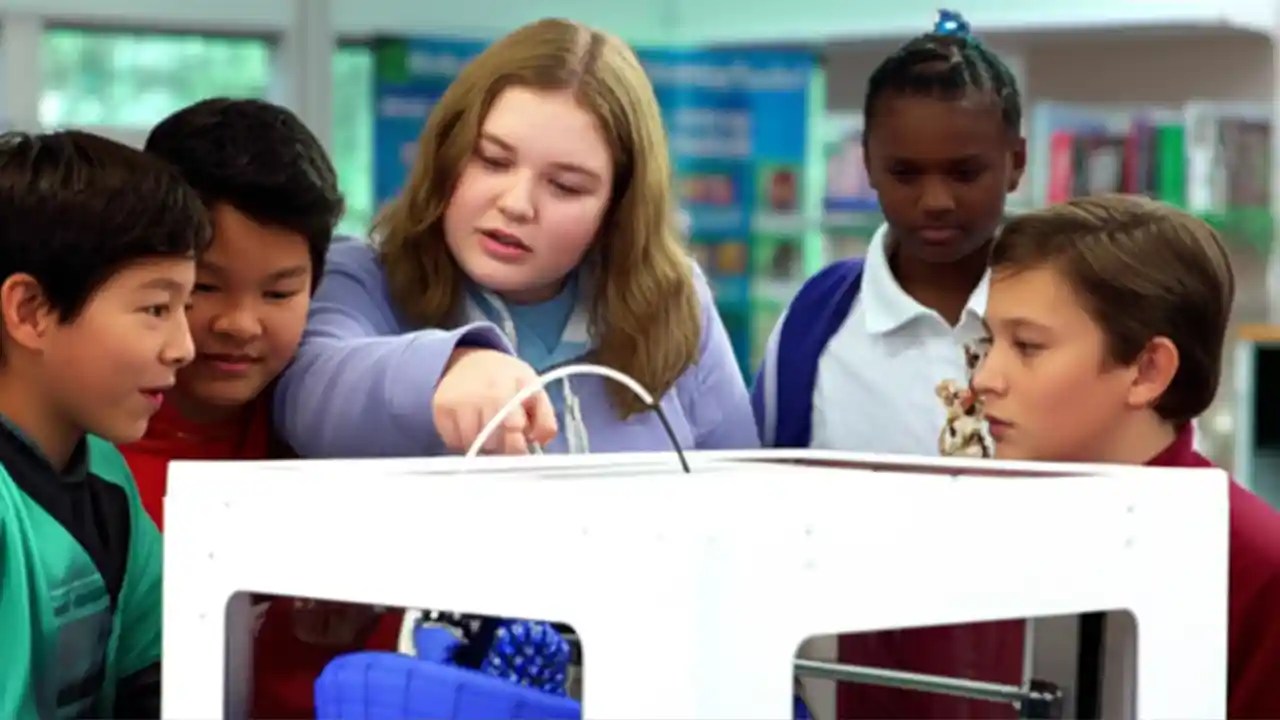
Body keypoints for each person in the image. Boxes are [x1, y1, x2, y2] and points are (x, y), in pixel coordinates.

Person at [274, 18, 757, 461]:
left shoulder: (673, 300)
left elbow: (743, 484)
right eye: (492, 160)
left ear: (618, 207)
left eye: (565, 186)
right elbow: (305, 393)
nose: (517, 204)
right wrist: (446, 369)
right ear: (447, 153)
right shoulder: (363, 275)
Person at [751, 12, 1028, 719]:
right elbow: (759, 516)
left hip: (1033, 668)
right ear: (868, 163)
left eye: (965, 172)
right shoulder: (816, 325)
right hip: (852, 681)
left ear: (1016, 162)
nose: (935, 199)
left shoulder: (1071, 318)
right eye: (905, 172)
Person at [114, 98, 401, 719]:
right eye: (206, 287)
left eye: (279, 292)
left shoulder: (329, 441)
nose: (240, 324)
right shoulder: (85, 443)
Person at [973, 193, 1280, 719]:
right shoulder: (974, 535)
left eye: (1027, 346)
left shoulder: (1256, 568)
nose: (983, 379)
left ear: (1147, 371)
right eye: (985, 344)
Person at [0, 130, 209, 718]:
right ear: (30, 312)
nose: (183, 347)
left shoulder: (108, 476)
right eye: (155, 308)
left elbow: (158, 679)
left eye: (185, 308)